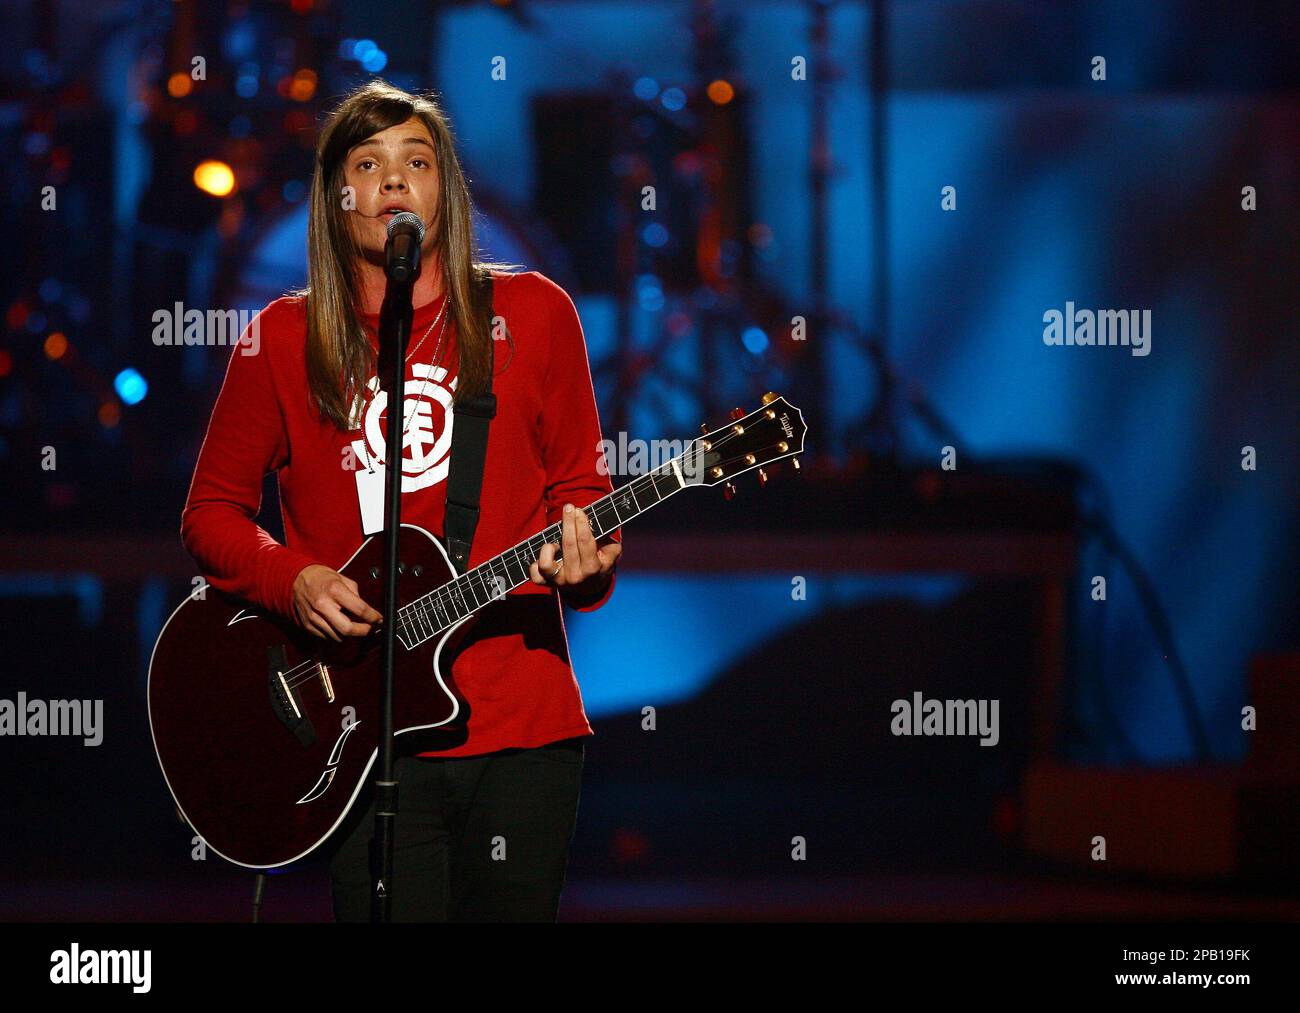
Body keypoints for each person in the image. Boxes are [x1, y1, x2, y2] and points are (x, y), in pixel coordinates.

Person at [180, 79, 622, 921]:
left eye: (416, 161)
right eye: (368, 162)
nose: (392, 180)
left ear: (443, 191)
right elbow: (210, 513)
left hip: (523, 730)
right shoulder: (280, 336)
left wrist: (589, 564)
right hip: (363, 735)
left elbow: (583, 501)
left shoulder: (533, 313)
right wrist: (292, 579)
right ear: (335, 194)